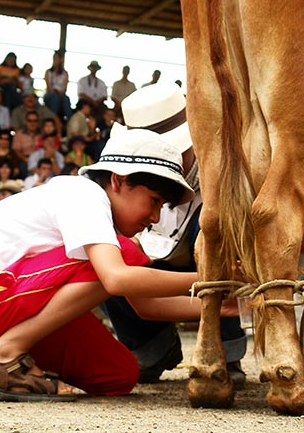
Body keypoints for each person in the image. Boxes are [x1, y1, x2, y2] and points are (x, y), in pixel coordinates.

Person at [0, 127, 229, 402]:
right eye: (155, 201)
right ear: (119, 181)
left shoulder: (99, 217)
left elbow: (149, 308)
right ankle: (2, 355)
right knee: (123, 256)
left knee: (119, 375)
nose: (155, 217)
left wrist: (222, 302)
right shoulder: (84, 193)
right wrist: (210, 278)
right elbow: (117, 280)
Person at [101, 84, 247, 385]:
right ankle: (150, 347)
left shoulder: (224, 168)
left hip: (206, 254)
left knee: (216, 234)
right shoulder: (120, 189)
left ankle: (226, 351)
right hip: (153, 262)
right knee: (108, 255)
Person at [42, 50, 71, 121]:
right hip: (50, 94)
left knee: (66, 99)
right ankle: (53, 119)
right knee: (55, 98)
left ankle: (69, 120)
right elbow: (49, 88)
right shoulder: (48, 72)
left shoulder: (65, 73)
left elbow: (64, 88)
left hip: (61, 94)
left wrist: (60, 93)